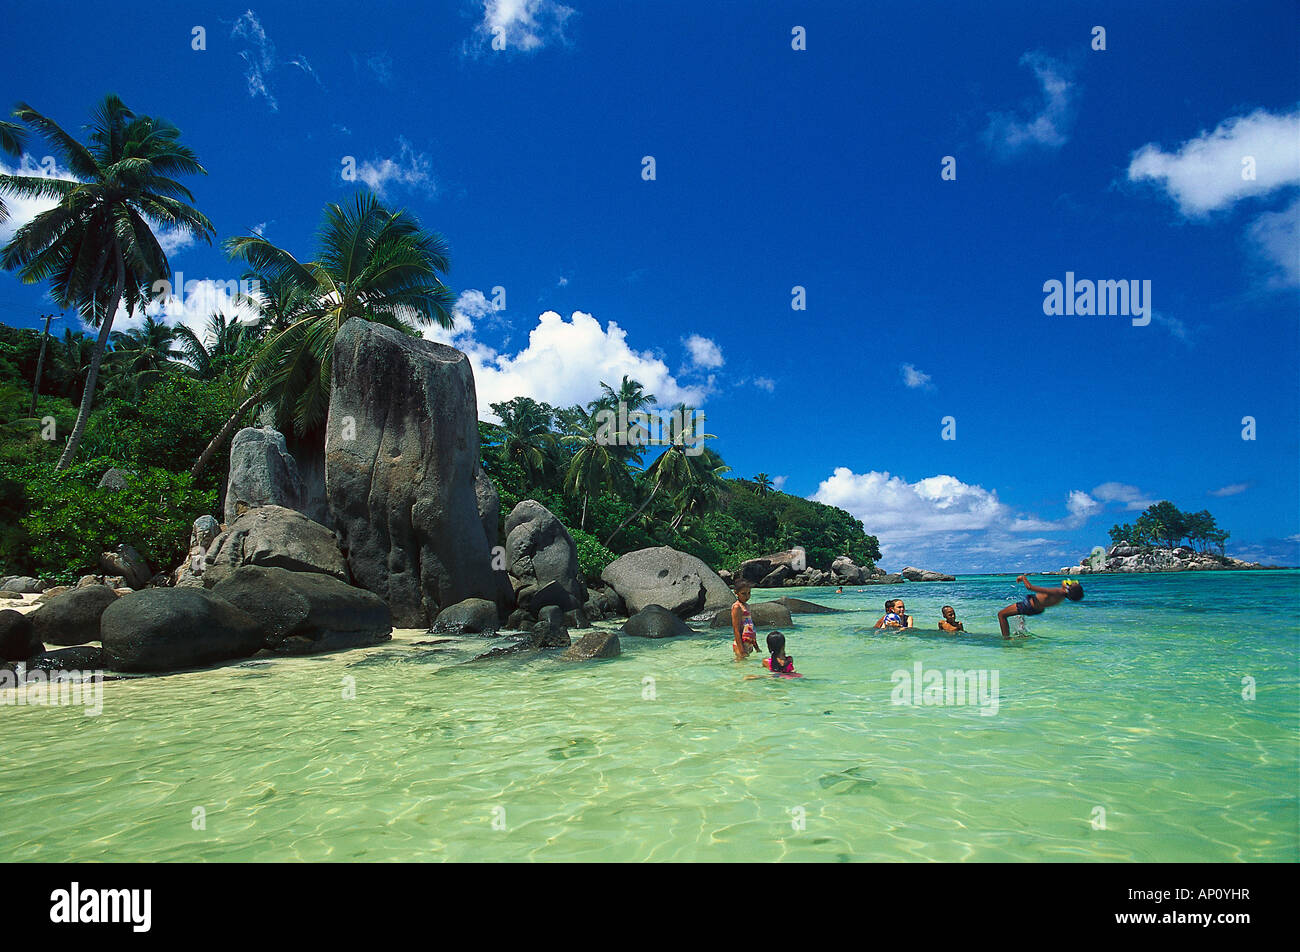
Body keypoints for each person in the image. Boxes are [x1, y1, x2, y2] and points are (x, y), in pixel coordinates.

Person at [997, 575, 1083, 638]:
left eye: (1070, 584)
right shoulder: (1062, 597)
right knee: (1019, 615)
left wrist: (1023, 578)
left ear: (1068, 588)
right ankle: (1021, 634)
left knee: (1001, 615)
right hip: (1037, 609)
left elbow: (1030, 587)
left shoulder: (1057, 592)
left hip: (1028, 605)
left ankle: (1006, 639)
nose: (1068, 582)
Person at [731, 581, 759, 660]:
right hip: (741, 643)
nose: (747, 596)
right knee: (741, 666)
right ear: (736, 593)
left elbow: (749, 627)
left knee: (745, 666)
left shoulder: (747, 606)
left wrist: (756, 646)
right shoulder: (737, 607)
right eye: (743, 593)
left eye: (749, 593)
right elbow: (736, 629)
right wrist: (741, 649)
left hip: (748, 642)